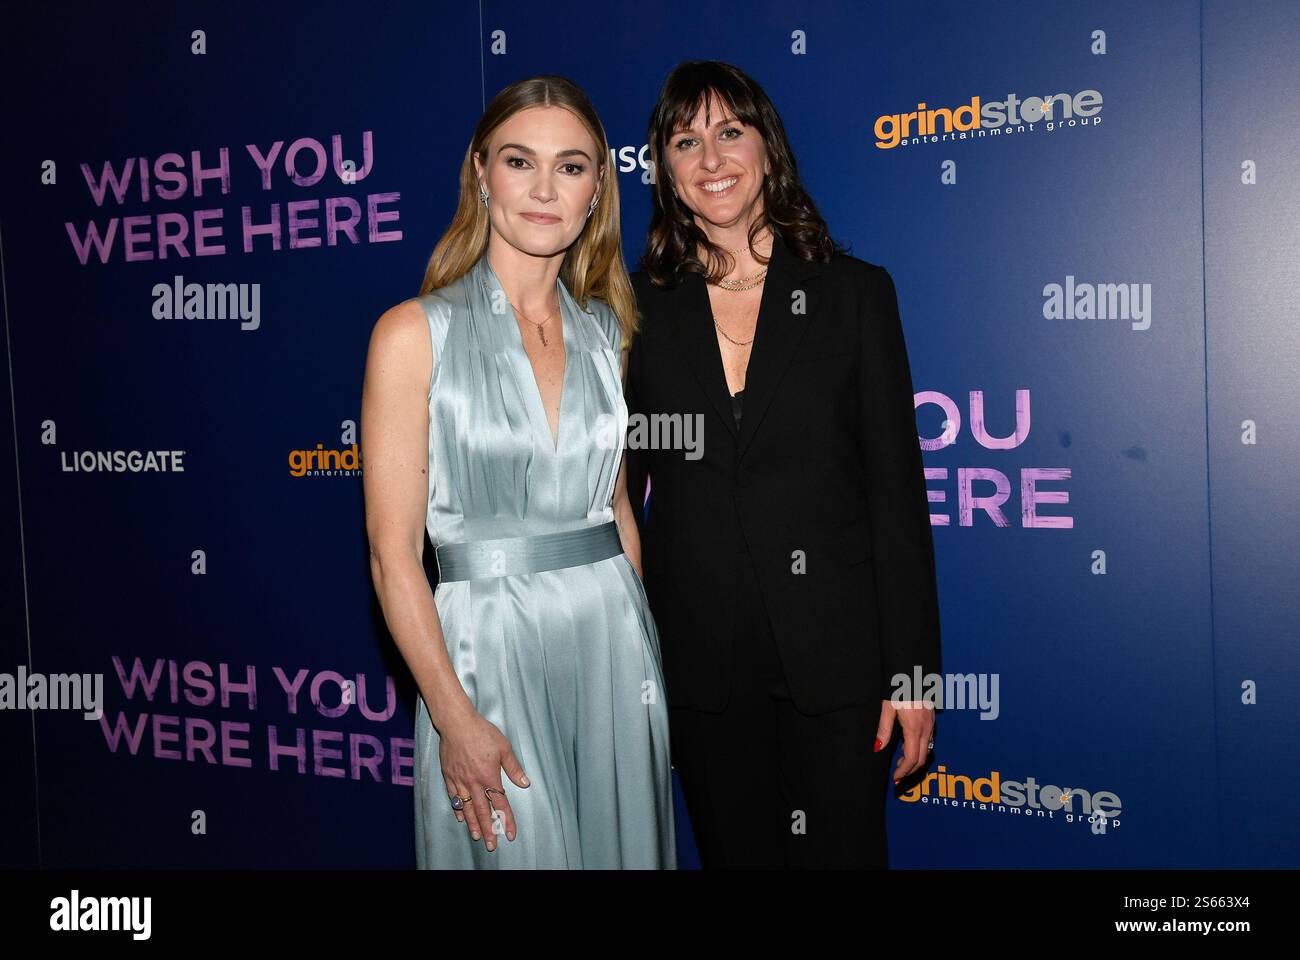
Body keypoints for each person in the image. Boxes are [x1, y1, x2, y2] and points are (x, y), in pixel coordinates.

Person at [625, 61, 941, 869]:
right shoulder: (632, 310)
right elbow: (613, 496)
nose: (711, 159)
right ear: (663, 168)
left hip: (836, 662)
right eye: (685, 140)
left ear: (768, 148)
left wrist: (912, 676)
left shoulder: (855, 295)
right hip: (699, 663)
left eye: (731, 131)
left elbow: (896, 496)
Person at [361, 75, 675, 869]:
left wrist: (647, 669)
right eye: (518, 161)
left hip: (612, 644)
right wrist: (451, 715)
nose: (544, 189)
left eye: (570, 167)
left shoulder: (609, 331)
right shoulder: (411, 333)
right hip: (483, 653)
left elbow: (618, 514)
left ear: (598, 187)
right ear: (480, 172)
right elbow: (392, 554)